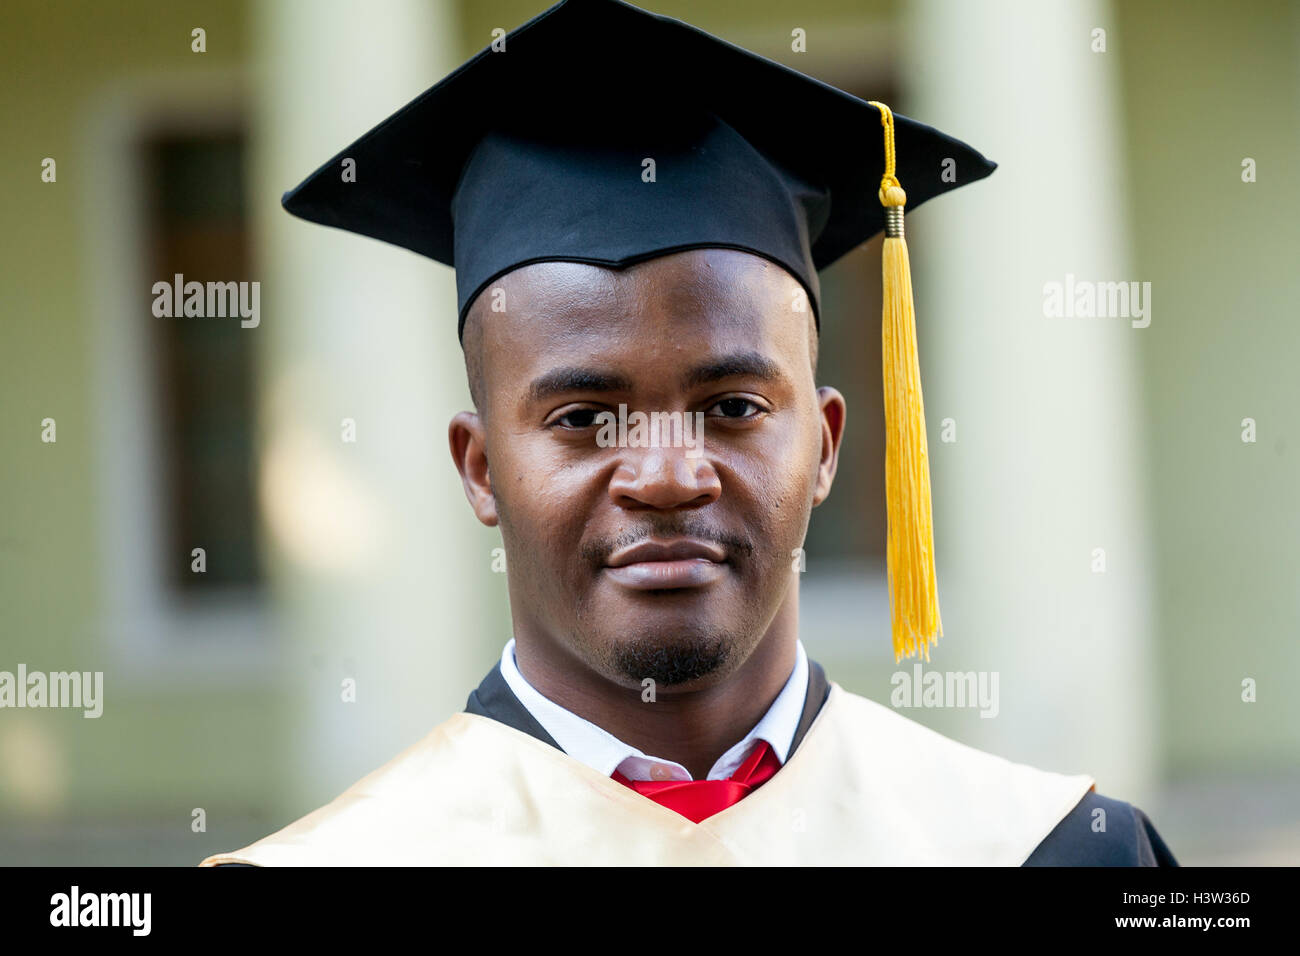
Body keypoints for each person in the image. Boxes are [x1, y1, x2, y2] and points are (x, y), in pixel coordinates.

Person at [202, 0, 1176, 866]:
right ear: (480, 466)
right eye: (582, 418)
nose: (667, 474)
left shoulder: (1048, 852)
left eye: (731, 406)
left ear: (827, 443)